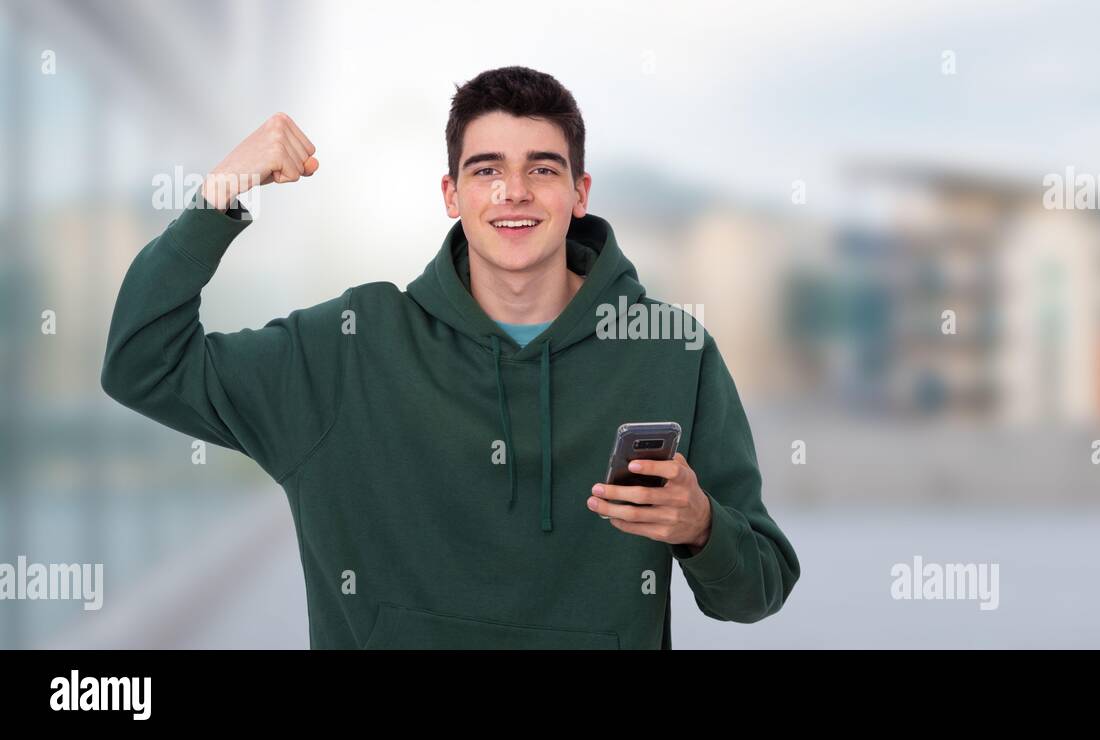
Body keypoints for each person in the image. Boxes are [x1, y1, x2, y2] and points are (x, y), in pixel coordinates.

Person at [100, 66, 799, 649]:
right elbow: (142, 362)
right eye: (486, 169)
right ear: (451, 195)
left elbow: (759, 588)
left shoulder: (671, 351)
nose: (513, 191)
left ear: (580, 195)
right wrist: (217, 193)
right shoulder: (346, 346)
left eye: (543, 169)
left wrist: (703, 525)